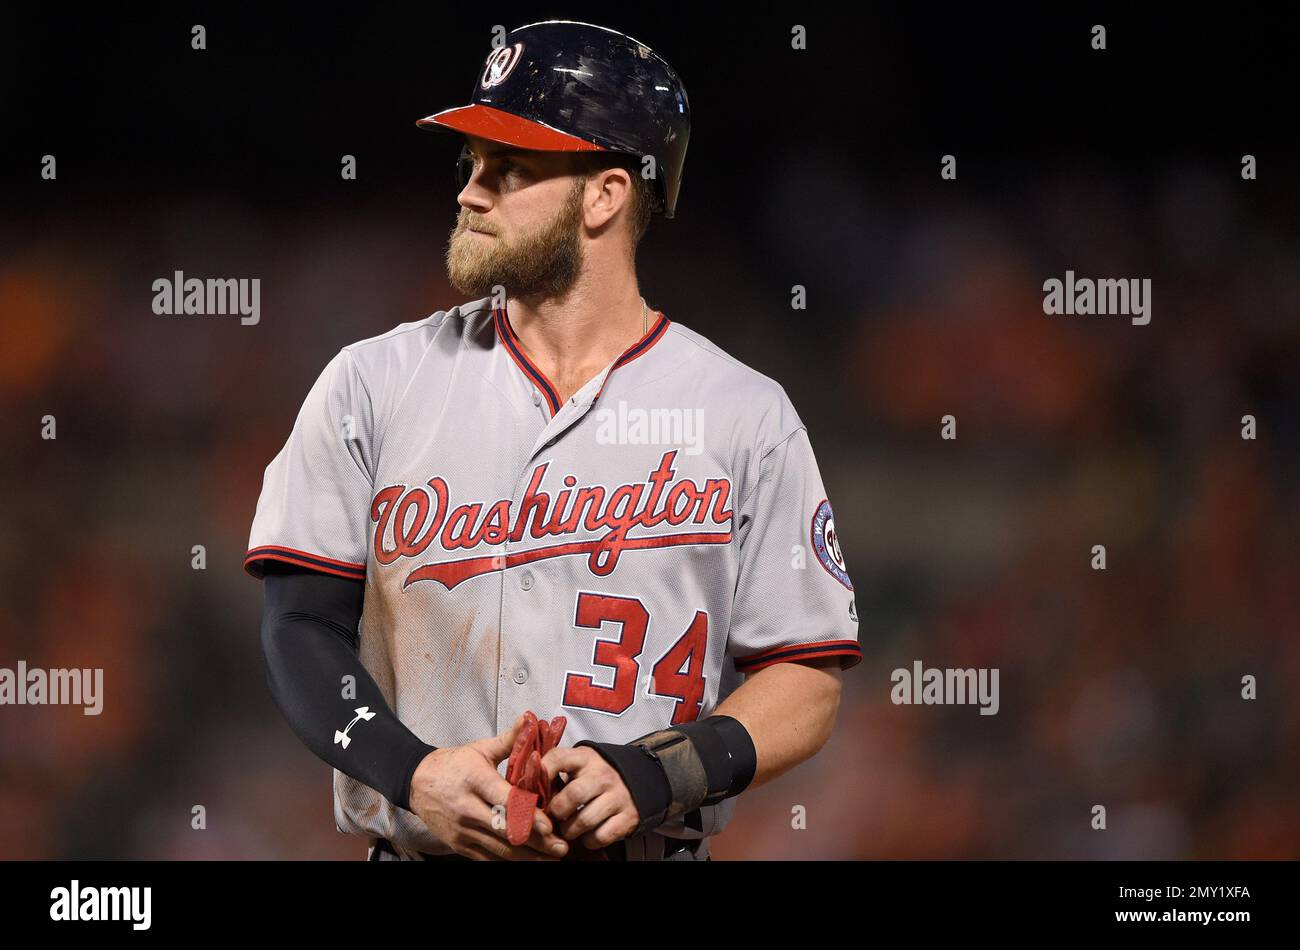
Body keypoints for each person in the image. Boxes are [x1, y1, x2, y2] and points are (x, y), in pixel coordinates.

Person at [246, 19, 861, 861]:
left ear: (605, 194)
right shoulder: (374, 384)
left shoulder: (742, 413)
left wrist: (658, 773)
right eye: (472, 166)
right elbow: (299, 628)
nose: (470, 192)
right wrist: (414, 772)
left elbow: (804, 681)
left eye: (512, 169)